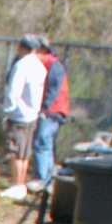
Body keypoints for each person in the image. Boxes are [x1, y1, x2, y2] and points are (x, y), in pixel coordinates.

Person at [2, 34, 47, 197]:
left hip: (19, 115)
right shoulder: (39, 66)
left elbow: (13, 92)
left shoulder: (21, 65)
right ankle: (20, 184)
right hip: (32, 115)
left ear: (22, 47)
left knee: (15, 150)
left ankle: (16, 184)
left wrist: (8, 110)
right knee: (25, 152)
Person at [34, 39, 70, 195]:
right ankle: (48, 180)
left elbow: (54, 89)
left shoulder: (53, 65)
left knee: (42, 142)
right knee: (46, 145)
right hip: (52, 110)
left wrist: (45, 108)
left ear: (42, 50)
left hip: (53, 111)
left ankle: (43, 180)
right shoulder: (49, 64)